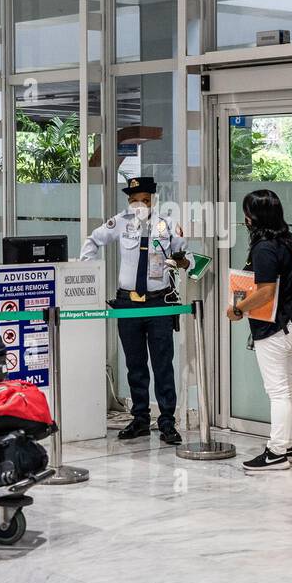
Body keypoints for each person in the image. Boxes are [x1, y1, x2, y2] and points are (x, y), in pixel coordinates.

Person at [80, 176, 189, 445]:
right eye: (133, 199)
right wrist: (92, 275)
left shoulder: (167, 226)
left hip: (158, 302)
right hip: (127, 303)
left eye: (144, 199)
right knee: (135, 364)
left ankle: (166, 421)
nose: (138, 203)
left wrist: (178, 262)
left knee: (163, 364)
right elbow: (92, 242)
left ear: (153, 200)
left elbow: (183, 256)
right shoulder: (119, 222)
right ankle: (140, 418)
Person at [226, 189, 292, 473]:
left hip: (273, 328)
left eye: (247, 213)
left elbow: (266, 292)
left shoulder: (264, 247)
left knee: (278, 391)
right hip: (291, 324)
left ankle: (276, 452)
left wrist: (238, 309)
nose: (245, 218)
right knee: (288, 386)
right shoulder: (287, 240)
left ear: (255, 217)